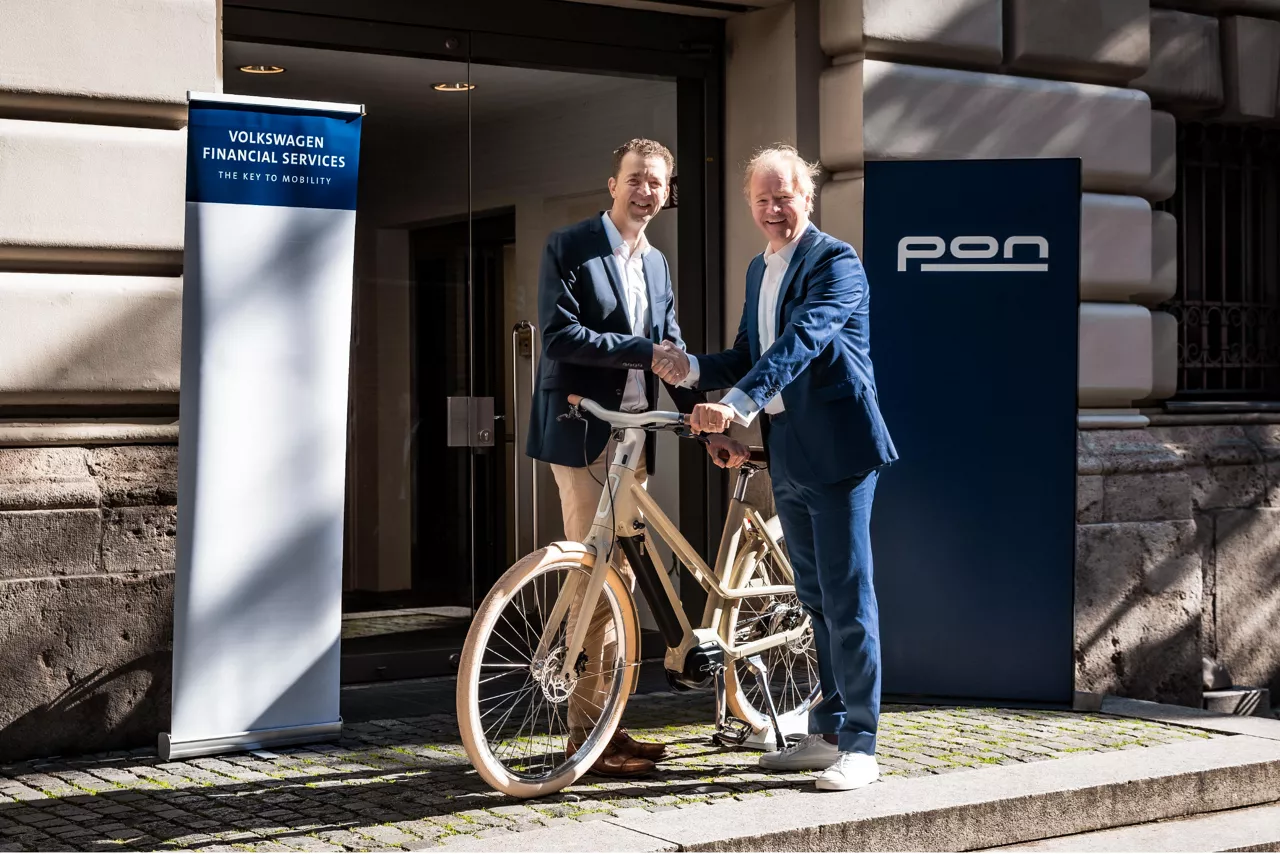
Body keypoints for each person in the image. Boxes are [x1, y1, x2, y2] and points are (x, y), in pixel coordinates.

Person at [653, 144, 897, 792]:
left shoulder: (835, 262)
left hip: (841, 451)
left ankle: (863, 744)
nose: (771, 209)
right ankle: (826, 730)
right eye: (760, 199)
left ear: (807, 196)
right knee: (814, 598)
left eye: (782, 196)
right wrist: (694, 369)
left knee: (847, 598)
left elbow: (802, 343)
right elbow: (748, 351)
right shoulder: (761, 271)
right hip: (788, 449)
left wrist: (733, 406)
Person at [526, 138, 748, 778]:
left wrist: (710, 422)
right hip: (580, 430)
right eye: (635, 179)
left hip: (635, 437)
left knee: (620, 582)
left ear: (667, 190)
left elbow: (673, 351)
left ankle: (607, 731)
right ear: (613, 183)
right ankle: (584, 736)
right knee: (592, 574)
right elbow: (560, 333)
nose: (645, 191)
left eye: (657, 182)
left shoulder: (656, 263)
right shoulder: (570, 246)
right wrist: (642, 350)